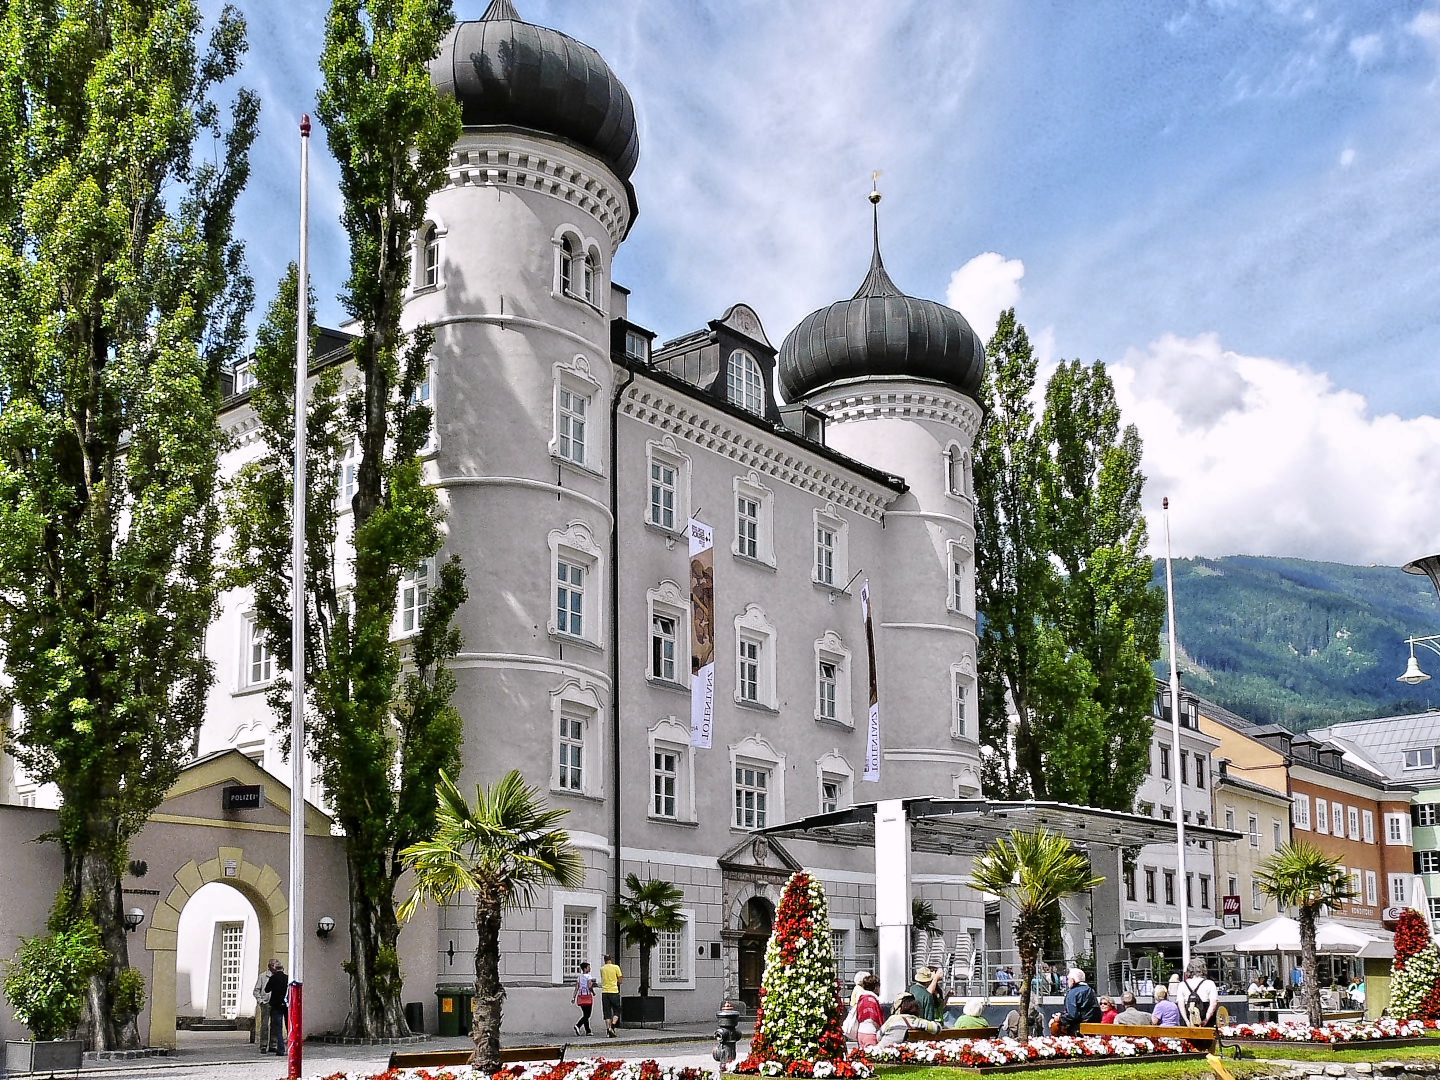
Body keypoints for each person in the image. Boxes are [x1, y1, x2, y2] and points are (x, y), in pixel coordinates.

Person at [1051, 967, 1102, 1035]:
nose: (1068, 981)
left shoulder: (1073, 992)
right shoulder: (1090, 990)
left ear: (1073, 980)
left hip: (1078, 1028)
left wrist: (1060, 1017)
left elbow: (1072, 1015)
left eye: (1068, 979)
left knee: (1054, 1025)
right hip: (1092, 1027)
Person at [877, 997, 941, 1046]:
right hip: (901, 1052)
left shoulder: (892, 1019)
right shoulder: (917, 1022)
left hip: (882, 1050)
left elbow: (878, 1036)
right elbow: (937, 1028)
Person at [1176, 959, 1219, 1027]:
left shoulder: (1182, 985)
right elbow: (1213, 1004)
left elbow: (1180, 1005)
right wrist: (1206, 1019)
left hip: (1188, 1019)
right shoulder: (1210, 983)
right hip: (1206, 1020)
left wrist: (1187, 1021)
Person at [852, 974, 884, 1047]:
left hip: (860, 1032)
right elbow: (875, 1019)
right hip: (870, 1033)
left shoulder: (862, 999)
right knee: (872, 1056)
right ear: (876, 987)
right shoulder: (872, 1000)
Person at [265, 959, 289, 1054]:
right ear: (283, 969)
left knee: (278, 1028)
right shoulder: (287, 978)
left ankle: (280, 1049)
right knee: (288, 1027)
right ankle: (290, 1047)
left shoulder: (273, 978)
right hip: (286, 1005)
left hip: (276, 1005)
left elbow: (267, 989)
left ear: (276, 969)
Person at [253, 959, 276, 1053]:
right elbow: (256, 990)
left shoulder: (278, 976)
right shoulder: (263, 976)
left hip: (275, 1003)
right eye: (275, 965)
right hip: (266, 1003)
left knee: (275, 1025)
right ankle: (263, 1045)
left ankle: (273, 1044)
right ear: (270, 966)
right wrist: (261, 1001)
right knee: (264, 1025)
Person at [599, 953, 624, 1038]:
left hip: (605, 992)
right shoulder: (616, 967)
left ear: (604, 960)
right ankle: (612, 1026)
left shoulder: (602, 969)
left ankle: (608, 1030)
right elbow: (620, 980)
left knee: (607, 1012)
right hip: (614, 991)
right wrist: (616, 982)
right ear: (611, 959)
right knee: (617, 1010)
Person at [573, 961, 596, 1036]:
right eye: (588, 967)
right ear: (585, 968)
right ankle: (578, 1025)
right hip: (587, 996)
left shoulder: (579, 977)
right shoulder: (588, 976)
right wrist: (593, 992)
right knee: (588, 1015)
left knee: (585, 1014)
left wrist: (573, 997)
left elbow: (576, 988)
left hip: (581, 996)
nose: (590, 968)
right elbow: (589, 986)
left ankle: (588, 1030)